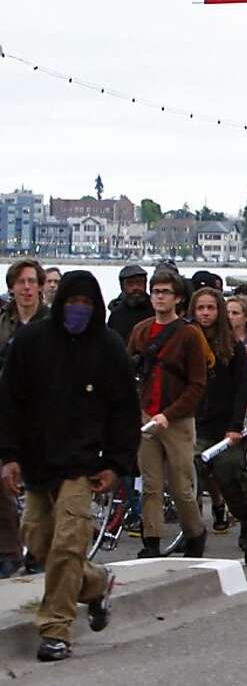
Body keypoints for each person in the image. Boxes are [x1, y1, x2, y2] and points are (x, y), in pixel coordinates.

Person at [0, 270, 140, 662]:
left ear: (95, 307)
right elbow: (8, 401)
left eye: (86, 304)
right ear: (60, 302)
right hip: (36, 462)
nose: (79, 310)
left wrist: (116, 464)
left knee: (67, 544)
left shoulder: (109, 347)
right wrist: (8, 457)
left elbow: (125, 412)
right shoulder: (31, 342)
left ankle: (56, 630)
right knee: (40, 541)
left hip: (85, 465)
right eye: (73, 302)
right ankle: (95, 584)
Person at [127, 269, 208, 559]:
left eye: (165, 292)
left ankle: (195, 534)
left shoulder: (189, 335)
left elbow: (197, 384)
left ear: (177, 298)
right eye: (156, 291)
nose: (159, 297)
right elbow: (129, 373)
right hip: (146, 416)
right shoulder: (141, 331)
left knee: (181, 486)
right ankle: (152, 541)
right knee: (150, 484)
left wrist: (170, 414)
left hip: (178, 421)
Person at [188, 288, 247, 548]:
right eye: (200, 308)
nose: (205, 313)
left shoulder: (234, 348)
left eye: (211, 308)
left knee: (228, 473)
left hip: (226, 426)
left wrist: (236, 425)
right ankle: (191, 531)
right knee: (189, 475)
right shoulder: (187, 341)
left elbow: (242, 389)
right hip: (194, 424)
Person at [0, 259, 50, 579]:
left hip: (44, 412)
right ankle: (8, 552)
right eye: (21, 282)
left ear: (41, 286)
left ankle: (39, 549)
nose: (27, 287)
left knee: (40, 485)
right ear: (12, 287)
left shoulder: (52, 322)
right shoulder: (3, 323)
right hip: (7, 408)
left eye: (32, 281)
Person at [106, 264, 153, 344]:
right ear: (122, 287)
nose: (135, 287)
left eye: (139, 282)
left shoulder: (156, 309)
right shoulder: (116, 314)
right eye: (130, 283)